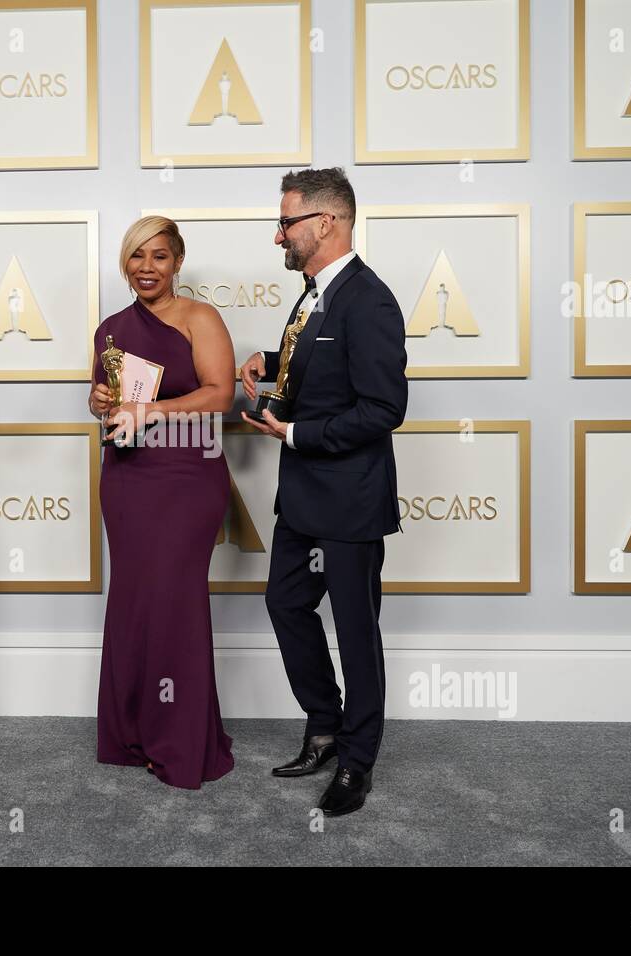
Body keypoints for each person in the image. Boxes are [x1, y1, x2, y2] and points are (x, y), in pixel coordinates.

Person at [241, 168, 408, 816]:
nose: (277, 234)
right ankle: (325, 725)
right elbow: (319, 367)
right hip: (303, 498)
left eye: (286, 222)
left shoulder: (370, 300)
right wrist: (271, 362)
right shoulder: (312, 294)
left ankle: (357, 763)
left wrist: (296, 432)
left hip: (350, 501)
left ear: (326, 223)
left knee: (356, 631)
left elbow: (383, 408)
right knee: (286, 604)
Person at [88, 215, 237, 789]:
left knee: (175, 600)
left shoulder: (201, 317)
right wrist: (101, 399)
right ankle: (133, 736)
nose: (146, 268)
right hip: (127, 475)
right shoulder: (110, 328)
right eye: (136, 257)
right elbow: (102, 401)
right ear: (124, 264)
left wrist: (151, 412)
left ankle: (181, 740)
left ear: (178, 262)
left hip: (187, 474)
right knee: (134, 599)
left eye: (159, 257)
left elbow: (220, 394)